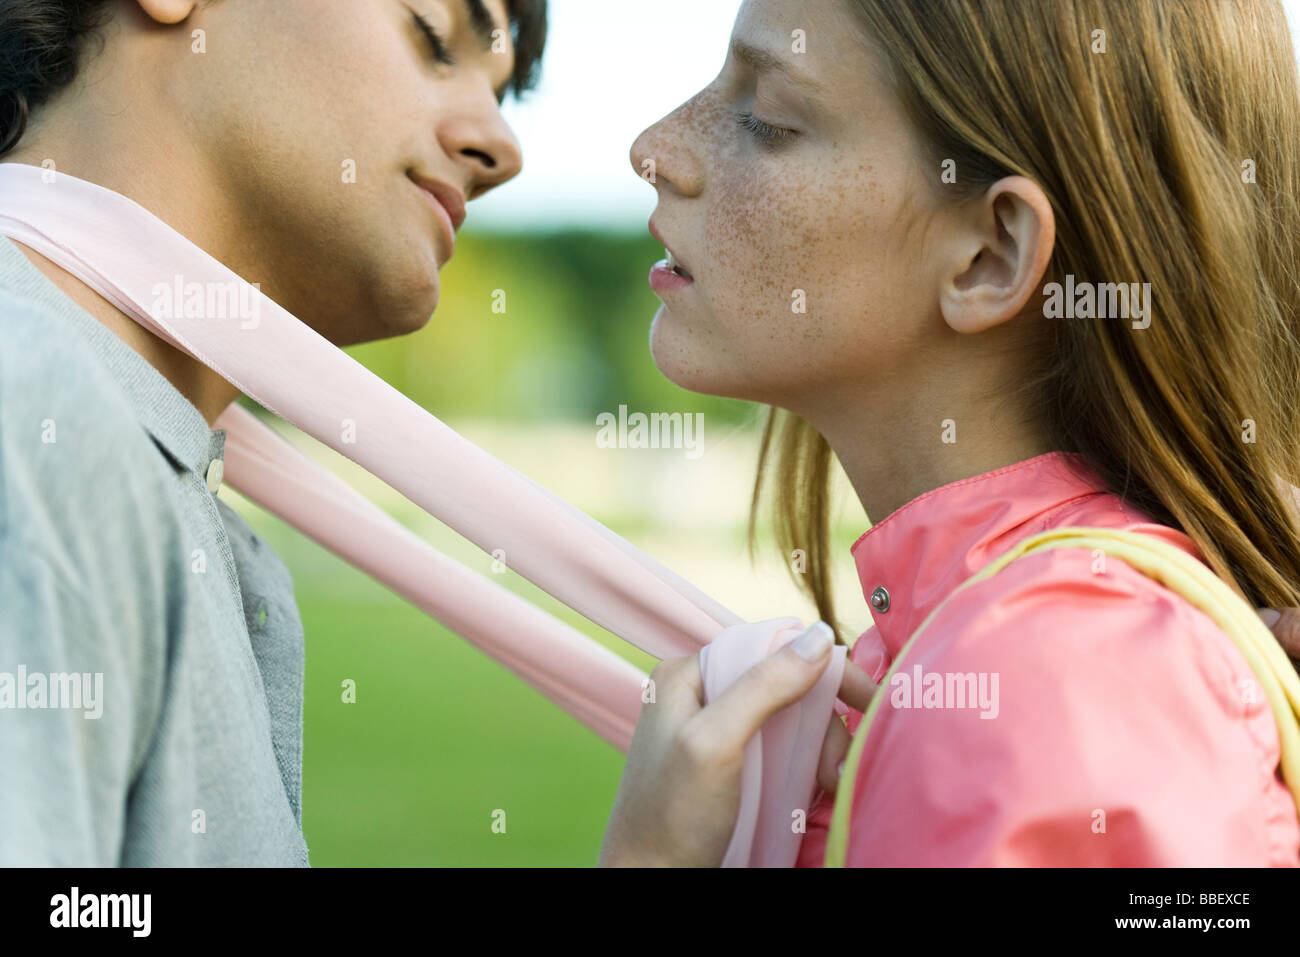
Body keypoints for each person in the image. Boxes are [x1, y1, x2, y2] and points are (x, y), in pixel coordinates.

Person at [601, 0, 1300, 866]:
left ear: (990, 256)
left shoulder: (1036, 680)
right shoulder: (993, 651)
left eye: (770, 119)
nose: (654, 148)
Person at [0, 0, 543, 865]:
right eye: (435, 36)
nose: (501, 150)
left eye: (504, 92)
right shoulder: (33, 415)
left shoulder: (128, 445)